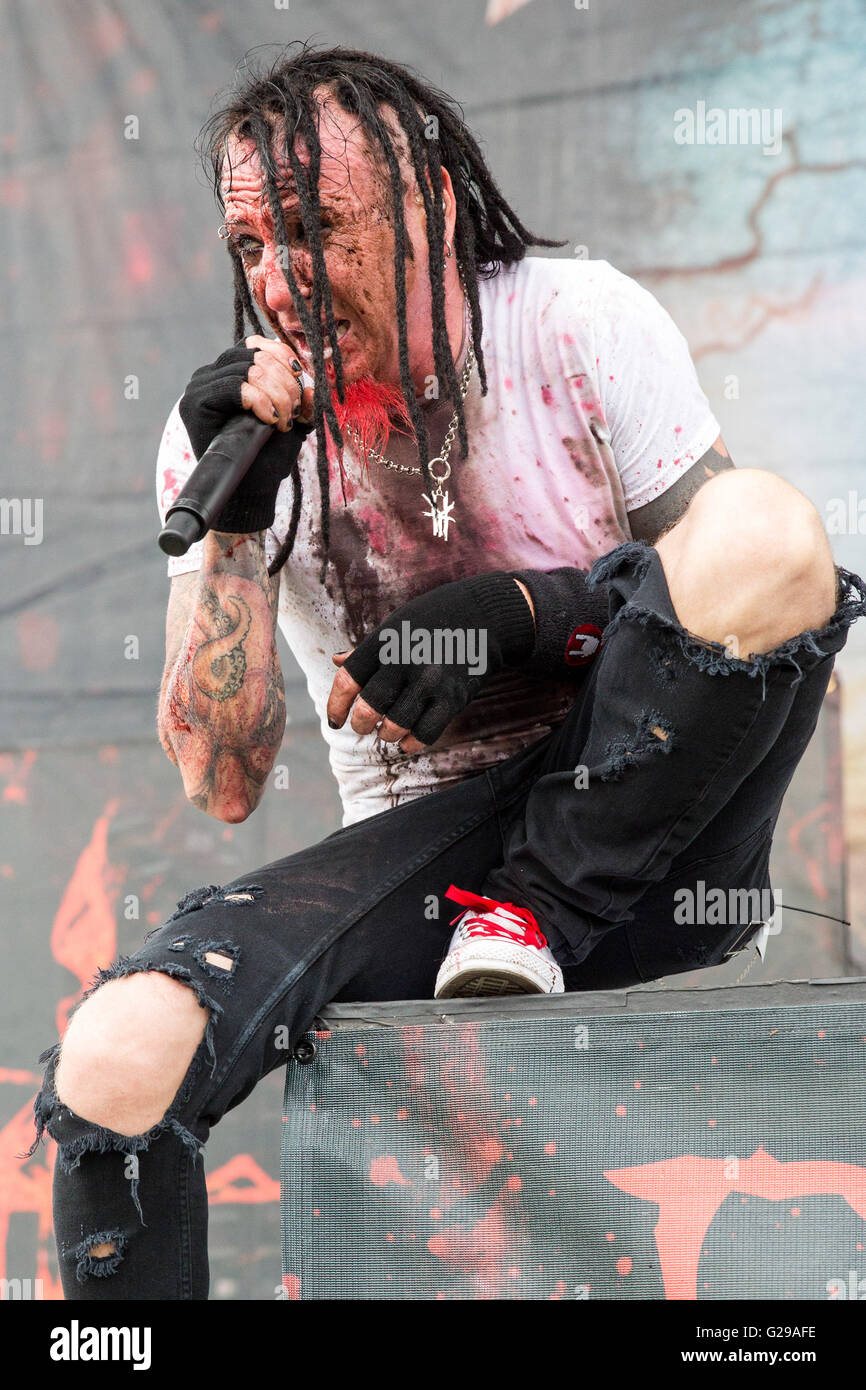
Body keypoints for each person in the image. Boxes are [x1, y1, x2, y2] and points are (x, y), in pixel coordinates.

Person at [31, 45, 865, 1300]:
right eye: (249, 245)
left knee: (767, 524)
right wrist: (235, 537)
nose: (279, 280)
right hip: (427, 875)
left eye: (313, 228)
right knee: (114, 1050)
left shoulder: (572, 323)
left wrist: (526, 616)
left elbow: (751, 587)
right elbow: (219, 778)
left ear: (425, 201)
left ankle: (532, 910)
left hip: (654, 843)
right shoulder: (225, 438)